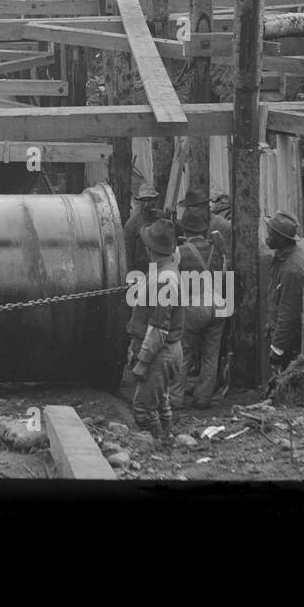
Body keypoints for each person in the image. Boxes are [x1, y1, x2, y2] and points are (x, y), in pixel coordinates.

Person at [125, 219, 184, 439]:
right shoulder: (163, 270)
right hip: (162, 351)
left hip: (162, 352)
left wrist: (143, 362)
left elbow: (159, 328)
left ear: (152, 249)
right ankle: (169, 440)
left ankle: (160, 450)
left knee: (143, 410)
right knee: (160, 403)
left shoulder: (165, 279)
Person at [172, 203, 227, 411]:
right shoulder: (217, 248)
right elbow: (223, 275)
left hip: (194, 307)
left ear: (184, 229)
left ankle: (175, 398)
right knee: (211, 354)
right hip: (218, 305)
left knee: (183, 352)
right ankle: (203, 398)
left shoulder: (180, 251)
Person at [263, 211, 304, 375]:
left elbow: (290, 313)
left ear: (282, 239)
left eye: (270, 234)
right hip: (282, 335)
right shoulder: (282, 257)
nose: (267, 237)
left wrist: (278, 348)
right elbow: (276, 297)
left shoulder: (292, 270)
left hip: (290, 343)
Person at [123, 182, 164, 272]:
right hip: (141, 272)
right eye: (143, 201)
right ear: (139, 202)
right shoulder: (131, 225)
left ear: (155, 200)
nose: (146, 205)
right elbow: (128, 256)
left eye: (149, 200)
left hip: (161, 269)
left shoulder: (162, 219)